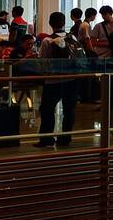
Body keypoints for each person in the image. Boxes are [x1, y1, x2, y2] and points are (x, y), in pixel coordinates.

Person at [35, 12, 82, 149]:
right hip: (72, 79)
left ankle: (46, 139)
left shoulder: (47, 41)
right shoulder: (72, 37)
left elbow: (43, 61)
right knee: (69, 110)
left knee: (47, 110)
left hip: (53, 80)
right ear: (64, 23)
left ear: (50, 23)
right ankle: (66, 138)